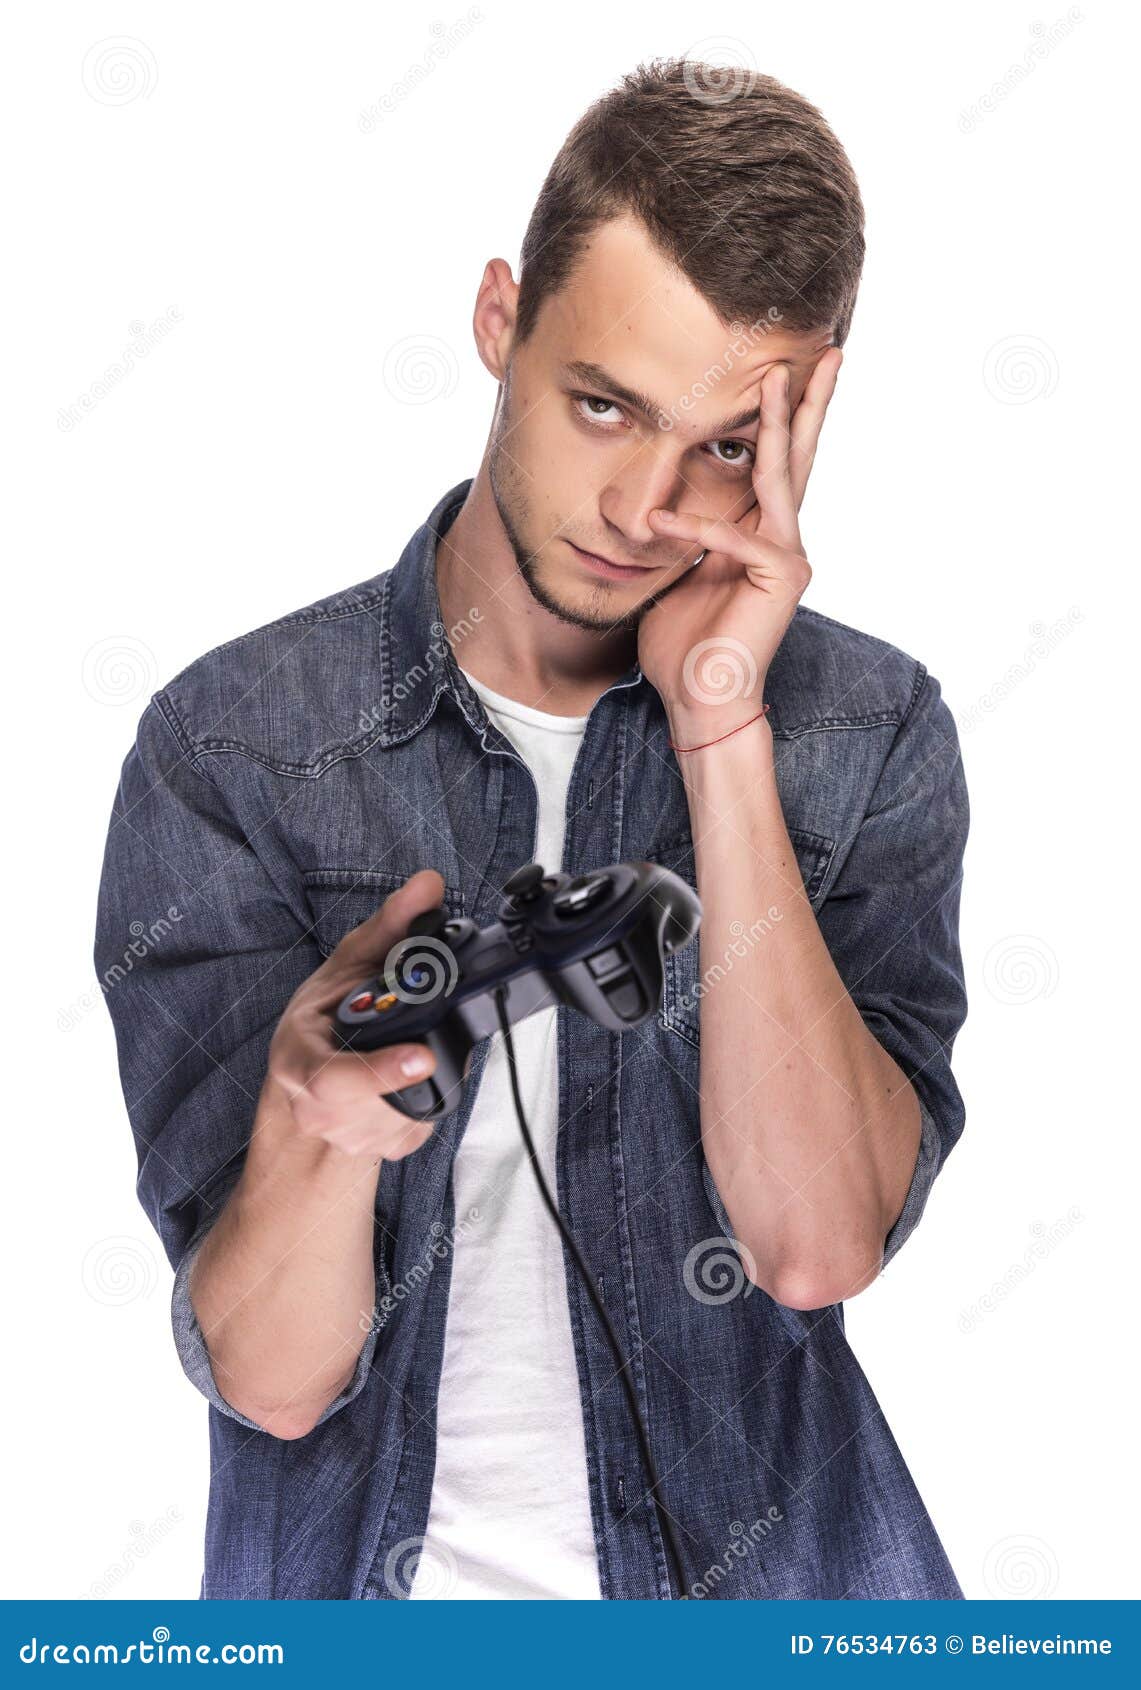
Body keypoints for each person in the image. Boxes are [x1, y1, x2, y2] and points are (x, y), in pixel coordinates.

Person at [95, 58, 969, 1601]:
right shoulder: (231, 748)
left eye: (718, 446)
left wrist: (717, 720)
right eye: (602, 404)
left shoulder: (864, 735)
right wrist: (310, 1127)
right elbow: (272, 1379)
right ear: (499, 318)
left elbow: (815, 1247)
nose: (646, 504)